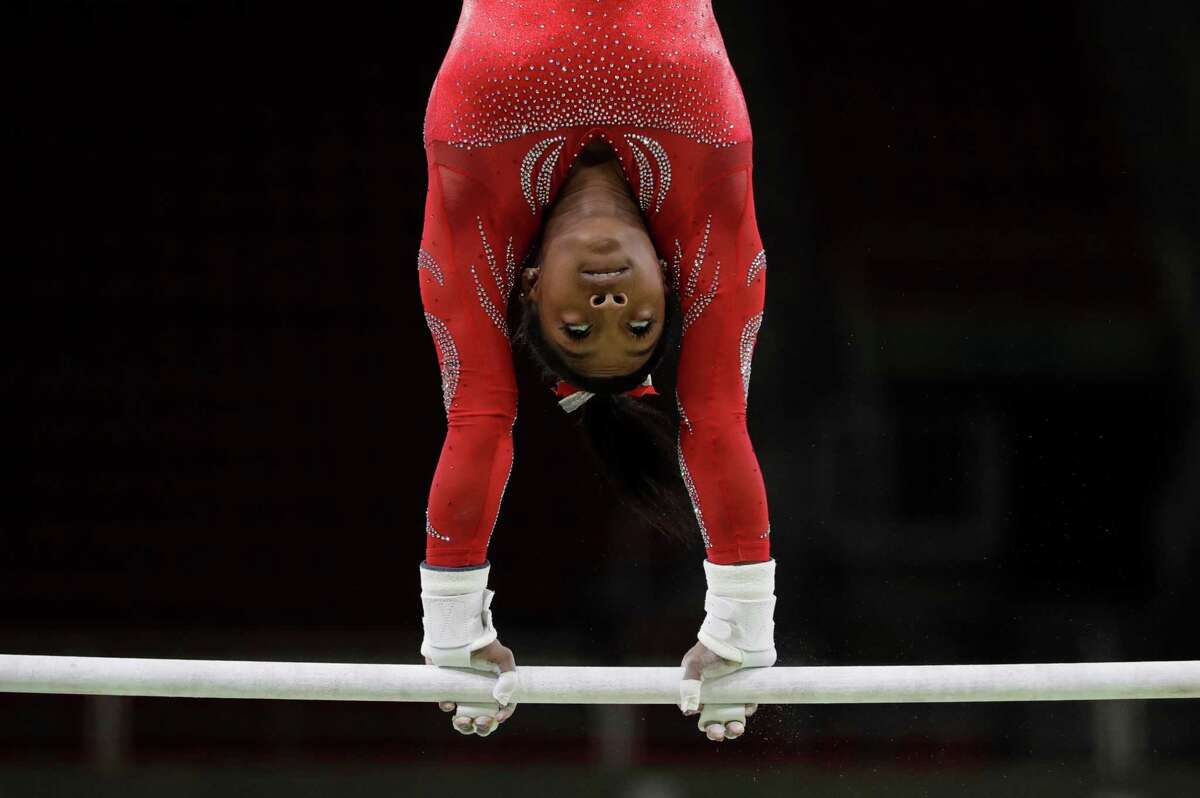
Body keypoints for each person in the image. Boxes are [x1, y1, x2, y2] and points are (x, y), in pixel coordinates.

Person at [416, 0, 777, 742]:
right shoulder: (711, 204)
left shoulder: (472, 202)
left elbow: (479, 416)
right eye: (637, 324)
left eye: (578, 329)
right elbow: (714, 418)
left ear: (530, 285)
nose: (608, 302)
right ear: (671, 283)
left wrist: (452, 633)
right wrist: (742, 633)